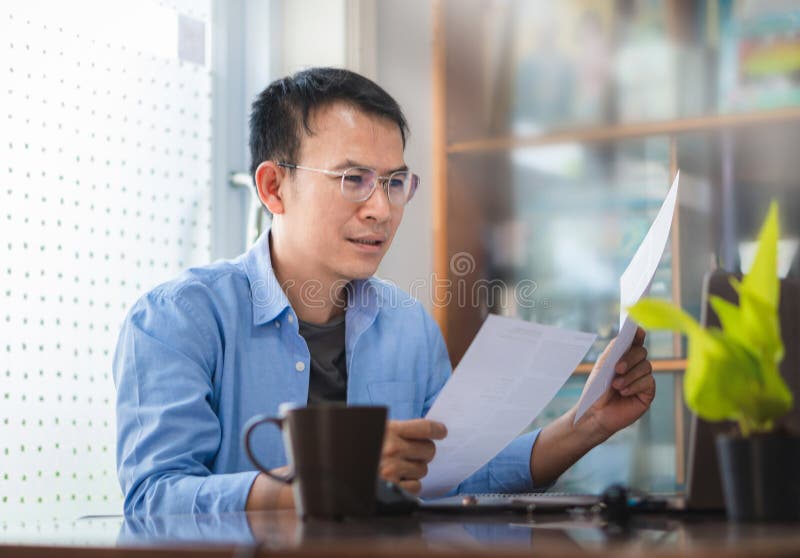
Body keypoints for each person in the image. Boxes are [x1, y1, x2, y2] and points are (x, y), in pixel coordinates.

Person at [113, 67, 655, 516]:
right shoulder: (177, 318)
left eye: (395, 182)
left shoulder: (407, 324)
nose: (381, 208)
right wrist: (325, 483)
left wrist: (583, 427)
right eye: (353, 179)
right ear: (273, 188)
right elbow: (154, 496)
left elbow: (452, 470)